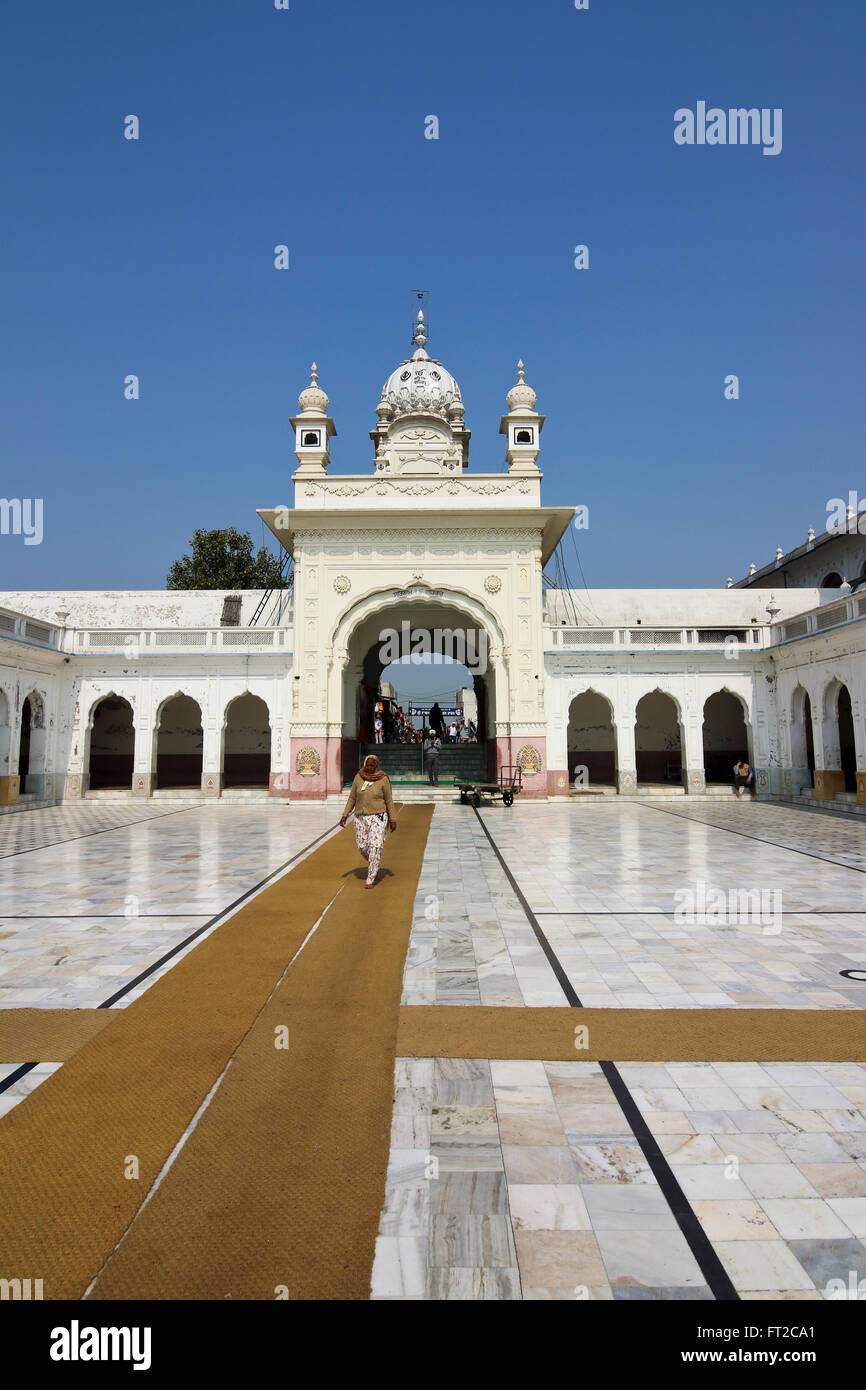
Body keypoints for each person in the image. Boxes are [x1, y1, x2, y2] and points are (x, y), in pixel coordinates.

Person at [340, 754, 397, 889]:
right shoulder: (358, 777)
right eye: (368, 765)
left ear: (377, 766)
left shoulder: (383, 779)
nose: (370, 768)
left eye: (373, 766)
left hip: (378, 817)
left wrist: (393, 819)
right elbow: (352, 798)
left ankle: (370, 878)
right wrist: (344, 815)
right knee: (362, 847)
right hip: (360, 817)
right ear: (364, 765)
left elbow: (389, 800)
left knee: (375, 847)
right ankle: (374, 862)